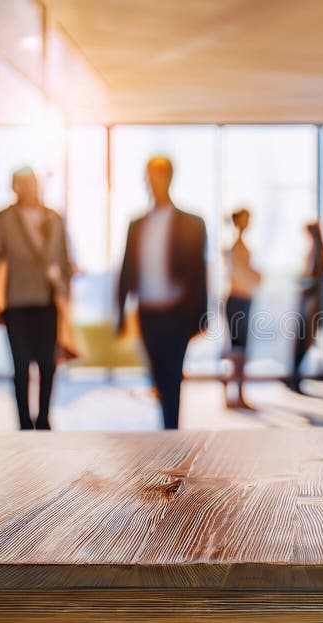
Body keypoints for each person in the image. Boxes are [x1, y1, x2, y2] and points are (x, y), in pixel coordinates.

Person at [117, 157, 207, 430]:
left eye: (158, 175)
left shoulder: (192, 223)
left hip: (177, 313)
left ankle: (171, 433)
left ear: (169, 178)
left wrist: (201, 317)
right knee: (158, 377)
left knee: (172, 379)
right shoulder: (137, 224)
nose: (153, 182)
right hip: (147, 313)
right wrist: (120, 310)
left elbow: (199, 273)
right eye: (149, 176)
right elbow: (126, 269)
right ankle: (168, 429)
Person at [0, 167, 73, 430]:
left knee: (47, 363)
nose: (28, 188)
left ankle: (43, 419)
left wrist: (63, 291)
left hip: (47, 301)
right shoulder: (2, 220)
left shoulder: (53, 218)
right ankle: (23, 422)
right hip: (17, 302)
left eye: (31, 183)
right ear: (14, 187)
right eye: (22, 184)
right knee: (21, 365)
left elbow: (64, 259)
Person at [224, 207, 261, 409]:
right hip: (238, 300)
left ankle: (236, 394)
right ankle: (235, 395)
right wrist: (255, 276)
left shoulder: (238, 246)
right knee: (238, 350)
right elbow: (238, 273)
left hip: (241, 299)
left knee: (238, 349)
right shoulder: (236, 247)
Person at [287, 222, 323, 393]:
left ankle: (295, 378)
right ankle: (294, 378)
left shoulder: (317, 254)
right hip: (309, 303)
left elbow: (312, 281)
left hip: (310, 305)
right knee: (302, 342)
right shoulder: (316, 253)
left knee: (304, 341)